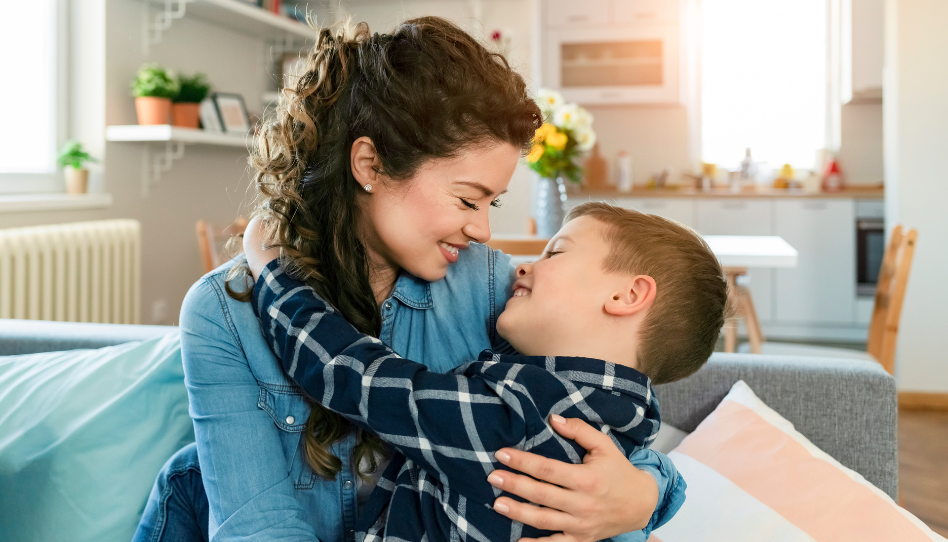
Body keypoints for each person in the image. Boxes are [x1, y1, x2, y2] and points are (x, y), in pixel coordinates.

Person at [133, 17, 677, 542]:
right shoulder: (222, 312)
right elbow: (259, 528)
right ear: (369, 164)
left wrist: (646, 494)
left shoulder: (495, 289)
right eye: (467, 199)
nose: (484, 229)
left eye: (493, 202)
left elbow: (602, 404)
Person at [245, 202, 727, 542]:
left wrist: (271, 271)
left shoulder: (525, 416)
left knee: (185, 478)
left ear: (626, 296)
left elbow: (352, 374)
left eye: (555, 253)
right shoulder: (621, 419)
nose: (523, 268)